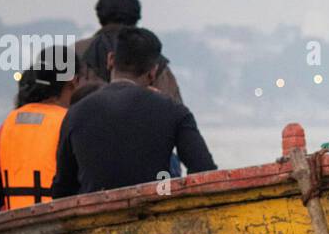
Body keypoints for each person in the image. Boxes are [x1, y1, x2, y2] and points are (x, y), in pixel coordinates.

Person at [51, 27, 216, 198]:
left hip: (94, 218)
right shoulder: (174, 112)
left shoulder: (76, 112)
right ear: (153, 72)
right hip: (154, 214)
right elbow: (205, 172)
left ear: (110, 60)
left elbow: (63, 188)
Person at [0, 45, 79, 214]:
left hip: (14, 224)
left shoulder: (9, 123)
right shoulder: (70, 121)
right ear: (74, 81)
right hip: (57, 220)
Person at [75, 0, 184, 102]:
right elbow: (174, 106)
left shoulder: (76, 52)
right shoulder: (153, 57)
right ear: (136, 16)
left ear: (100, 14)